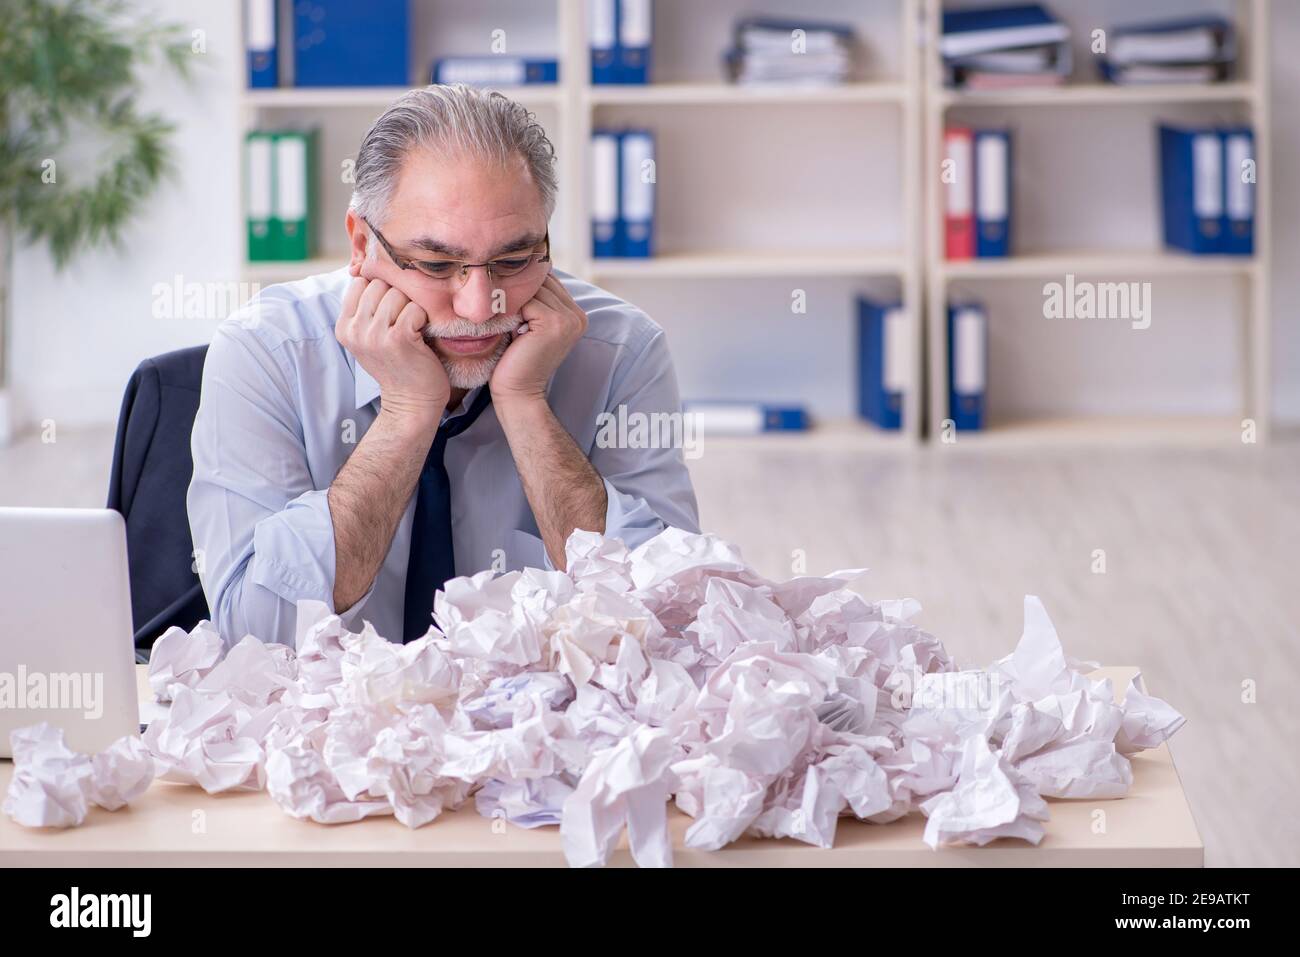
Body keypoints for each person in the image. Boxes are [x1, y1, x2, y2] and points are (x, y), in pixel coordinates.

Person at [187, 84, 699, 648]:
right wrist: (408, 414)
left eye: (513, 260)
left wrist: (525, 404)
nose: (480, 308)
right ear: (361, 244)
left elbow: (672, 622)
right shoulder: (264, 350)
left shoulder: (622, 350)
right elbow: (255, 639)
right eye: (435, 264)